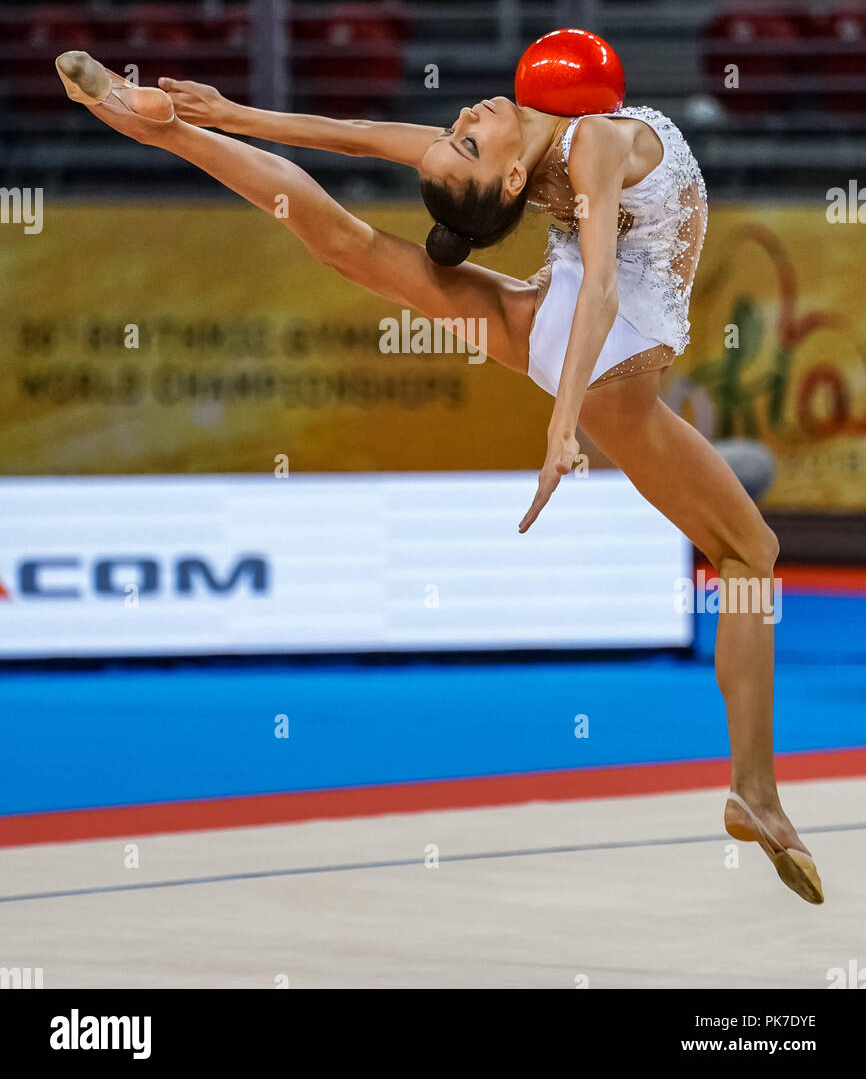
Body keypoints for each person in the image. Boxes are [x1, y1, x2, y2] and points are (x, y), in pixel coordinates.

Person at [55, 50, 823, 905]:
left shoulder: (526, 150)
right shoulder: (594, 144)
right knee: (750, 552)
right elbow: (601, 283)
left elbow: (346, 136)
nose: (464, 119)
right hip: (604, 351)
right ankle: (752, 786)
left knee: (345, 243)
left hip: (554, 328)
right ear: (505, 184)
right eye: (466, 141)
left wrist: (223, 112)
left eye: (457, 132)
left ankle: (148, 124)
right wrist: (564, 425)